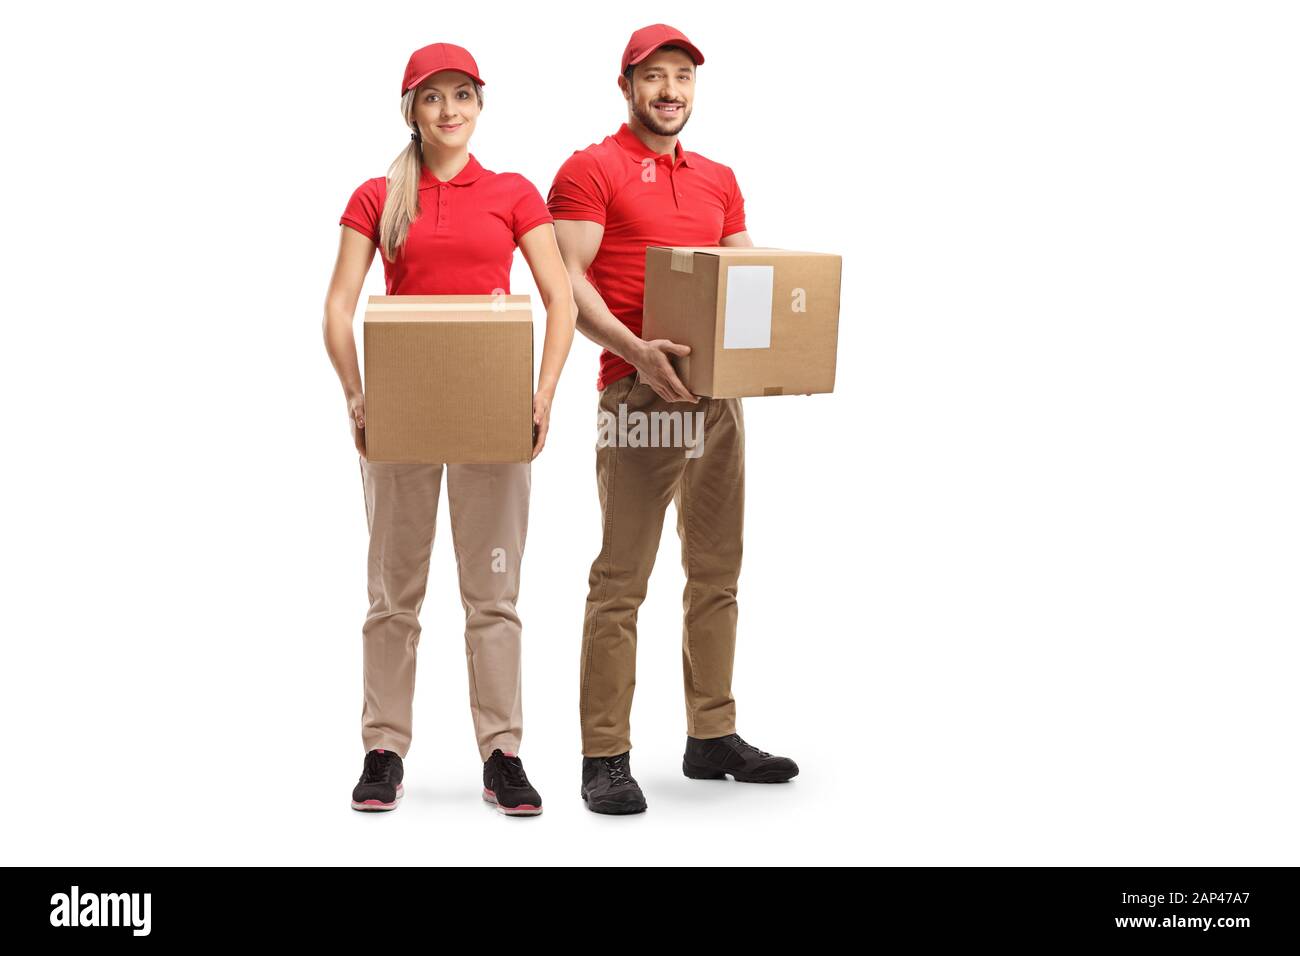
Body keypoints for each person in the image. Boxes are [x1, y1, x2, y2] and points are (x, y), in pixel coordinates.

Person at [547, 24, 799, 815]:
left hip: (714, 402)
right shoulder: (591, 170)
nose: (670, 91)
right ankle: (604, 756)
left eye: (682, 77)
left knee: (718, 572)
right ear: (626, 86)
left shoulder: (720, 178)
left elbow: (745, 275)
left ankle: (711, 735)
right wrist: (635, 348)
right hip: (638, 396)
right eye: (654, 76)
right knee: (621, 581)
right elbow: (565, 281)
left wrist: (769, 354)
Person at [323, 42, 575, 816]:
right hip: (402, 414)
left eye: (462, 94)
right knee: (393, 597)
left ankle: (503, 752)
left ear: (480, 103)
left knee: (492, 595)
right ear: (412, 110)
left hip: (490, 413)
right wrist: (357, 396)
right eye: (432, 97)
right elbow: (338, 307)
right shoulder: (377, 194)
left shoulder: (511, 192)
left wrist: (542, 396)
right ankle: (383, 750)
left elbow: (560, 300)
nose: (449, 109)